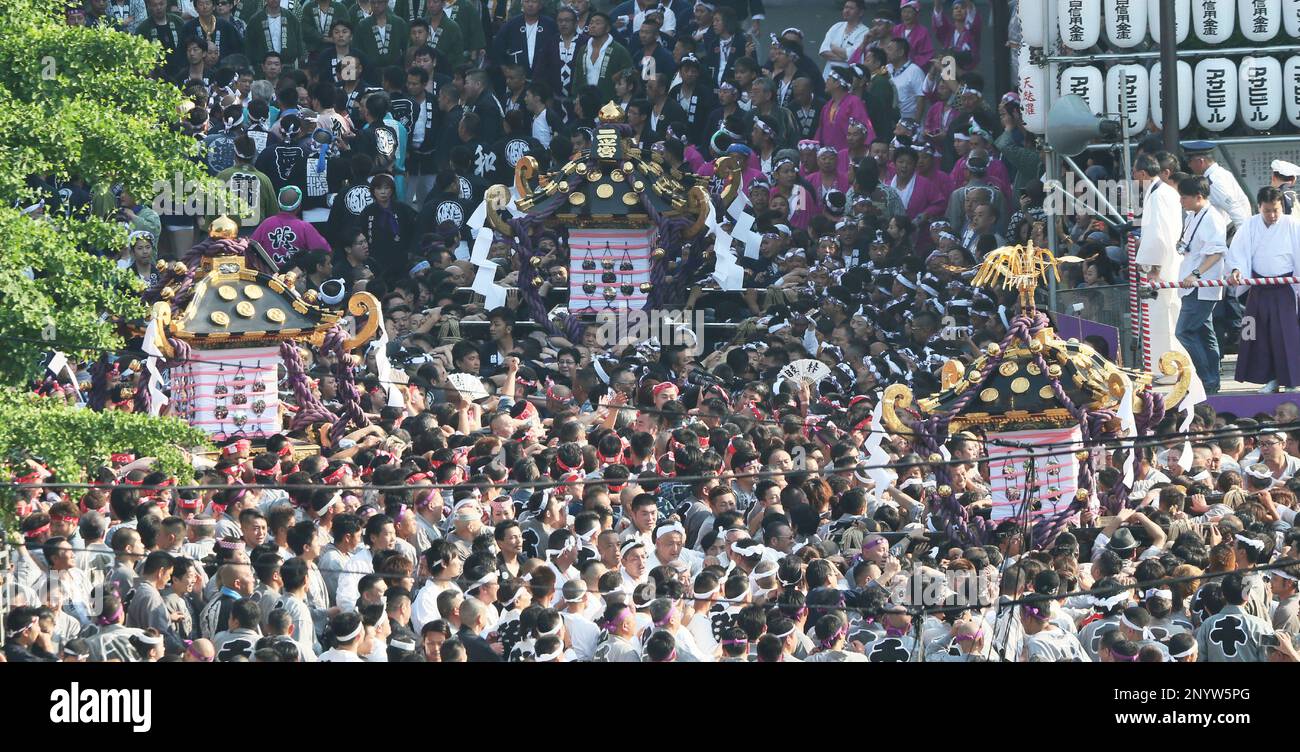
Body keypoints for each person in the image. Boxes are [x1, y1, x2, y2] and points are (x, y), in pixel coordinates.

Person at [1226, 187, 1300, 392]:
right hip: (1258, 288)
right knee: (1260, 334)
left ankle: (1292, 380)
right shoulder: (1249, 226)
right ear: (1259, 207)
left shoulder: (1292, 224)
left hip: (1285, 287)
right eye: (1267, 210)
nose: (1273, 215)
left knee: (1286, 334)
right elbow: (1238, 254)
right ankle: (1272, 379)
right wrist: (1236, 270)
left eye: (1276, 209)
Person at [1133, 152, 1189, 379]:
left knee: (1163, 317)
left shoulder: (1160, 195)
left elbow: (1160, 235)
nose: (1134, 177)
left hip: (1162, 267)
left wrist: (1154, 268)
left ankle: (1168, 369)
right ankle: (1164, 367)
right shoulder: (1160, 192)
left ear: (1143, 173)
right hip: (1164, 262)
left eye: (1135, 173)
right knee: (1159, 317)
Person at [1174, 176, 1228, 394]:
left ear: (1198, 197)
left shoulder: (1212, 218)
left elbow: (1216, 253)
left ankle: (1205, 378)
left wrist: (1196, 274)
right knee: (1205, 333)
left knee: (1184, 331)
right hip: (1191, 283)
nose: (1181, 201)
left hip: (1201, 283)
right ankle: (1211, 380)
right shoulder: (1193, 215)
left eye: (1184, 197)